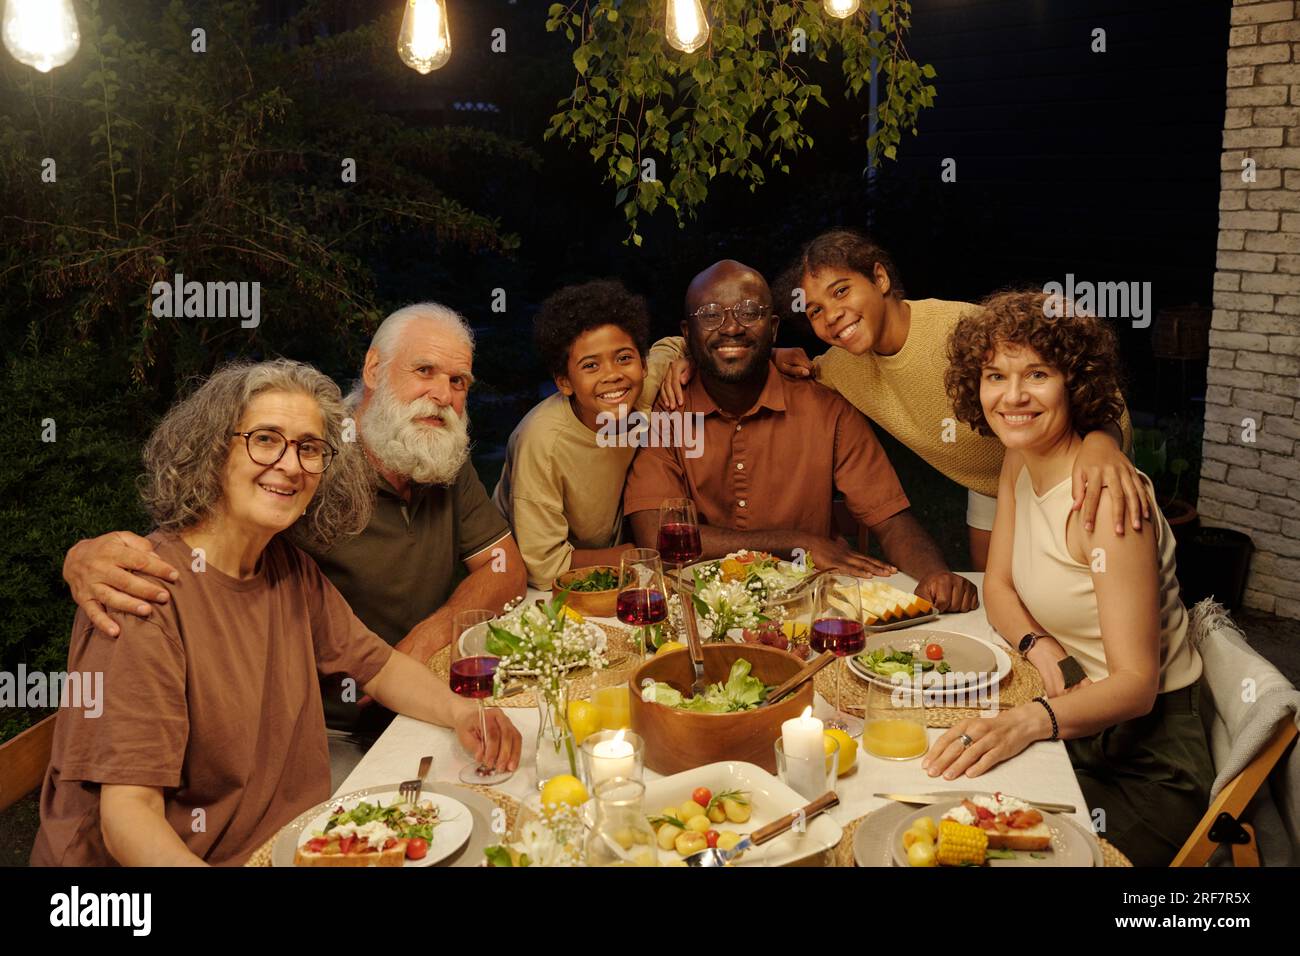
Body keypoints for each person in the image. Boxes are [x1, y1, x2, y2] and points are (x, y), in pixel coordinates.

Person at [31, 360, 521, 866]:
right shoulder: (141, 594)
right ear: (213, 450)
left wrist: (464, 711)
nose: (291, 464)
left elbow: (378, 666)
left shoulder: (288, 569)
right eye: (265, 439)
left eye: (309, 448)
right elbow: (128, 820)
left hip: (280, 844)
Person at [60, 303, 529, 771]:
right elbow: (199, 533)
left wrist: (430, 637)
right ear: (373, 367)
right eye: (424, 370)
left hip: (415, 699)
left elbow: (505, 568)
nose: (443, 396)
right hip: (319, 733)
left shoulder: (435, 451)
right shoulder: (313, 460)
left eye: (458, 381)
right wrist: (84, 555)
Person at [655, 230, 1141, 571]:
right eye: (817, 311)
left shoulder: (962, 330)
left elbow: (1093, 383)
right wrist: (687, 355)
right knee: (1005, 596)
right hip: (998, 486)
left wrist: (1103, 443)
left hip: (1072, 466)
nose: (833, 317)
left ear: (881, 279)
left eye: (842, 291)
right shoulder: (840, 368)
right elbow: (742, 352)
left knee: (1088, 584)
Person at [923, 290, 1210, 867]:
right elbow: (998, 587)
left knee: (998, 852)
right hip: (1076, 721)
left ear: (1074, 384)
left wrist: (1030, 720)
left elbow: (1135, 684)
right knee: (938, 799)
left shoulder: (1105, 501)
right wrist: (1039, 645)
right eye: (994, 375)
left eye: (1037, 374)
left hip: (1145, 759)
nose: (1012, 396)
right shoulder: (1017, 462)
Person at [624, 259, 979, 612]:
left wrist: (936, 574)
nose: (732, 327)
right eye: (711, 315)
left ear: (773, 328)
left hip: (814, 607)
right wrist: (798, 542)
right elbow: (657, 533)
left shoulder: (826, 407)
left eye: (750, 312)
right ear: (688, 334)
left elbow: (889, 518)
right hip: (697, 607)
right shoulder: (667, 413)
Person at [493, 279, 672, 588]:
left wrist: (779, 356)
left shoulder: (639, 390)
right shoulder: (542, 442)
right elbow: (545, 567)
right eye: (591, 366)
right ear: (564, 383)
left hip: (610, 565)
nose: (613, 375)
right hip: (531, 582)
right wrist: (641, 553)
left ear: (643, 365)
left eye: (624, 358)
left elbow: (673, 346)